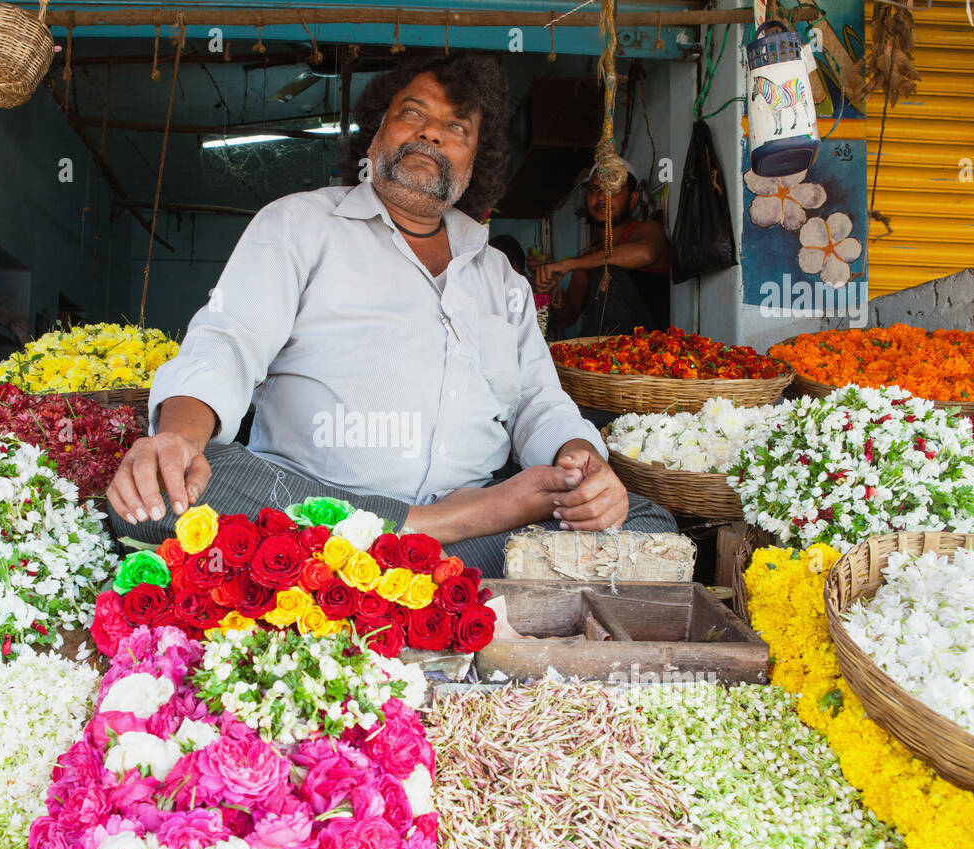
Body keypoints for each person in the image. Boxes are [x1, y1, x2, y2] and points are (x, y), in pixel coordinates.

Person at [105, 53, 677, 575]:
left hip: (469, 540)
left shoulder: (501, 277)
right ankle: (438, 525)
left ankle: (433, 541)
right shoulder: (300, 225)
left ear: (475, 162)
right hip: (311, 515)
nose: (432, 131)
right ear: (375, 134)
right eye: (413, 113)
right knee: (171, 496)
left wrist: (582, 466)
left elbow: (538, 401)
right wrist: (178, 441)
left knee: (647, 523)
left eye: (457, 127)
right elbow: (228, 340)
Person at [534, 158, 670, 341]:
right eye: (594, 189)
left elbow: (645, 254)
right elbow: (568, 318)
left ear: (633, 199)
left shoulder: (648, 230)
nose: (601, 197)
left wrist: (568, 264)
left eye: (613, 189)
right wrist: (553, 289)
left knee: (608, 270)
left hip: (649, 357)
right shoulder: (587, 259)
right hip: (602, 363)